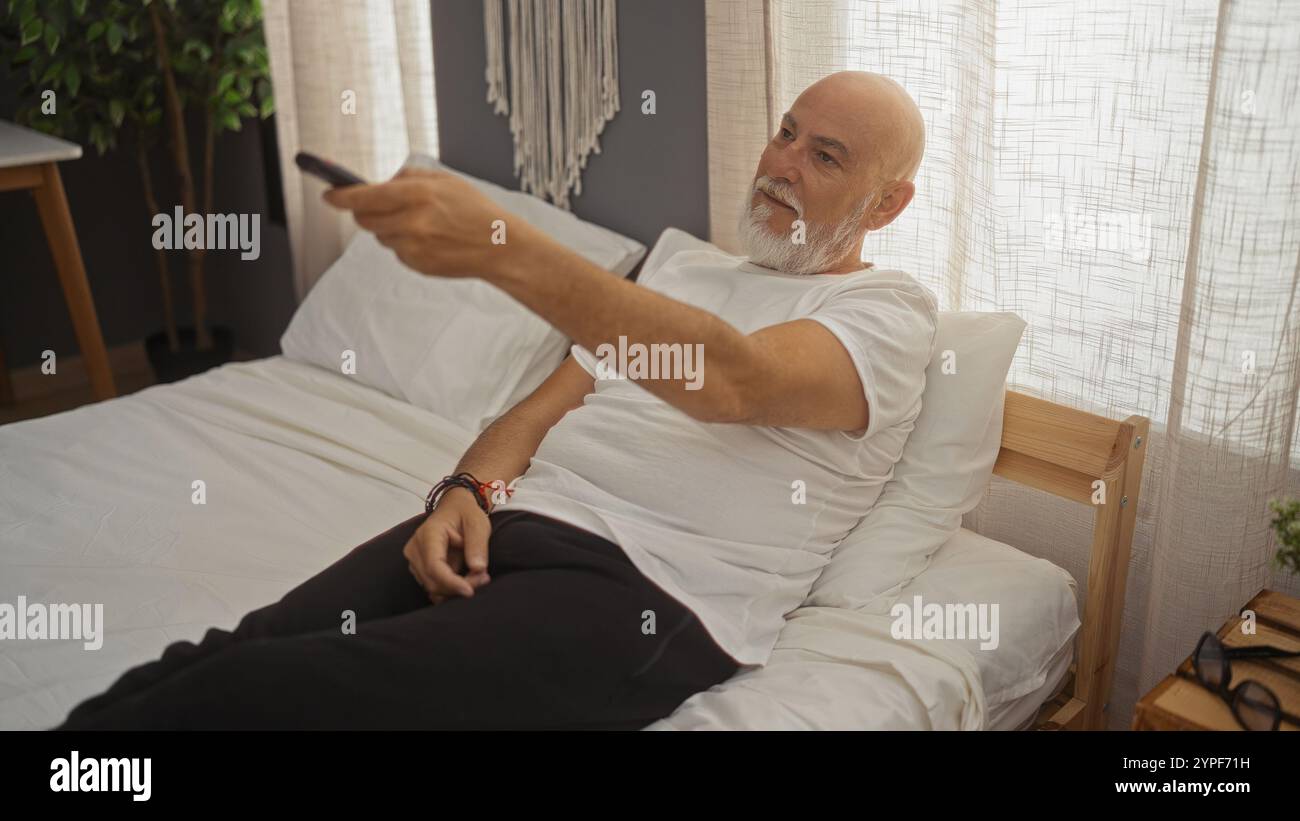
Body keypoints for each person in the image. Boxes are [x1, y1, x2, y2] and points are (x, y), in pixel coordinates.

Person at [59, 71, 937, 730]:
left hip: (649, 589)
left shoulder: (887, 314)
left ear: (887, 204)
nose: (782, 164)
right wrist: (463, 492)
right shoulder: (687, 269)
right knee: (232, 652)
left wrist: (498, 247)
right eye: (786, 133)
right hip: (508, 523)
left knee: (267, 696)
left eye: (825, 156)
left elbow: (734, 381)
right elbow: (536, 411)